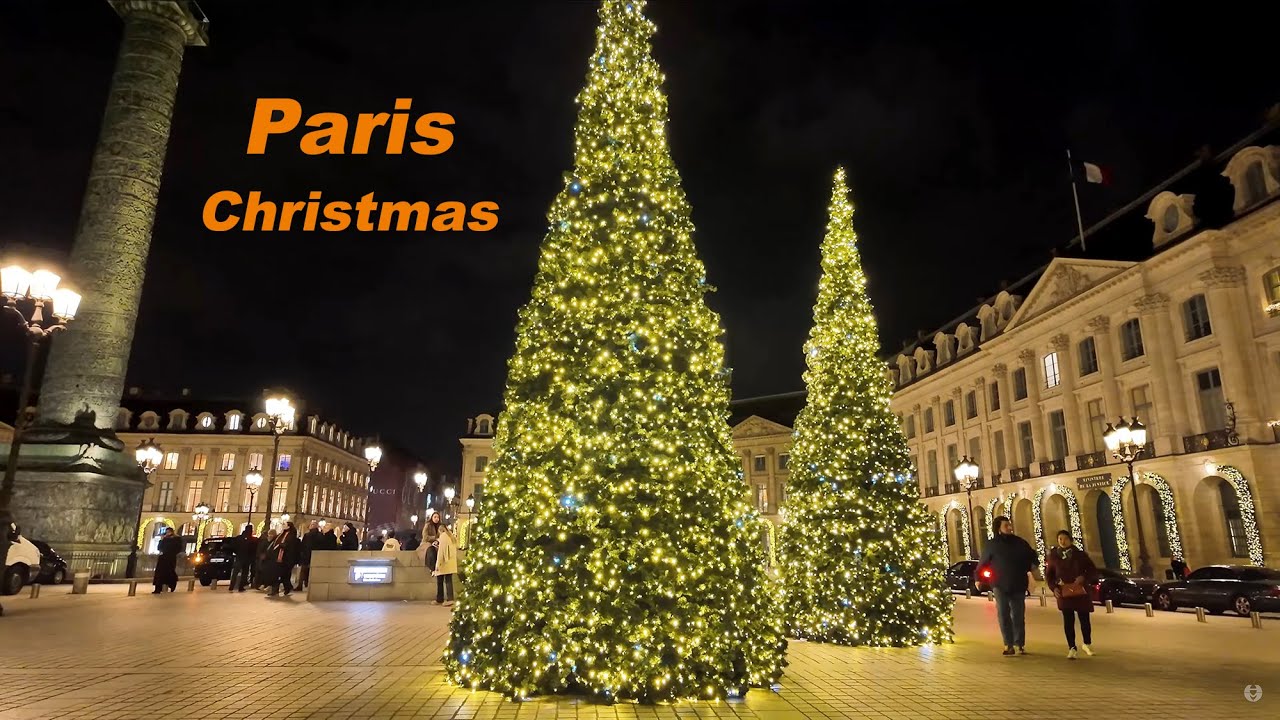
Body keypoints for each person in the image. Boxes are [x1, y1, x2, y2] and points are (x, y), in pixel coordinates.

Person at [976, 515, 1038, 656]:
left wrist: (1031, 567)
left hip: (1018, 583)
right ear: (999, 528)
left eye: (1010, 525)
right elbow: (983, 562)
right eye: (1006, 525)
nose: (1009, 527)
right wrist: (978, 578)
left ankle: (1020, 644)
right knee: (1003, 614)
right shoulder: (992, 544)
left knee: (1018, 615)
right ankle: (1008, 644)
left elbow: (1032, 556)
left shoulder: (1020, 542)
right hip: (999, 584)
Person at [1046, 530, 1098, 659]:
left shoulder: (1080, 555)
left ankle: (1087, 643)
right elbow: (1049, 575)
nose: (1062, 541)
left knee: (1084, 618)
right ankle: (1072, 647)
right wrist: (1054, 588)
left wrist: (1083, 577)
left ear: (1070, 540)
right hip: (1064, 591)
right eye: (1060, 539)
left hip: (1080, 590)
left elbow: (1092, 570)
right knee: (1068, 620)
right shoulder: (1054, 556)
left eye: (1064, 539)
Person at [267, 523, 300, 598]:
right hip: (278, 558)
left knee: (284, 575)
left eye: (284, 524)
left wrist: (284, 545)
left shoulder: (291, 535)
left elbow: (291, 546)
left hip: (286, 559)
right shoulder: (281, 534)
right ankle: (275, 590)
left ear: (288, 526)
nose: (283, 525)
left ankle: (286, 588)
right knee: (277, 574)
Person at [431, 523, 458, 606]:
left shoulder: (443, 537)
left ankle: (441, 599)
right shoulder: (451, 536)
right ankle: (450, 598)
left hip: (444, 563)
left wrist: (437, 564)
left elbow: (441, 552)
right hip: (450, 562)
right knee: (448, 580)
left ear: (440, 530)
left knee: (440, 581)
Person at [152, 527, 181, 593]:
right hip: (163, 557)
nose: (167, 533)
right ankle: (158, 588)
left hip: (170, 558)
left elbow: (178, 548)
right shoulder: (164, 539)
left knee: (169, 572)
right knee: (159, 573)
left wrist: (171, 552)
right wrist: (161, 540)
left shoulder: (176, 539)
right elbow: (159, 548)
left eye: (168, 532)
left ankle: (172, 584)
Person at [229, 525, 256, 592]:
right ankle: (241, 587)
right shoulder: (252, 539)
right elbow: (253, 550)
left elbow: (233, 547)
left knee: (235, 572)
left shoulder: (239, 538)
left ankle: (231, 586)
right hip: (247, 558)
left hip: (239, 557)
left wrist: (237, 553)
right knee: (245, 573)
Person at [295, 520, 321, 591]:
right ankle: (306, 584)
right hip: (314, 555)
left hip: (306, 555)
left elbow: (303, 545)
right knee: (309, 571)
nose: (310, 525)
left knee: (303, 571)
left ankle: (300, 585)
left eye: (312, 525)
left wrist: (302, 553)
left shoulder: (307, 535)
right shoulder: (320, 535)